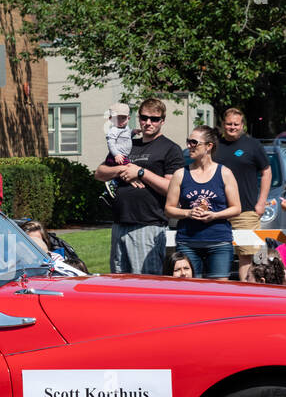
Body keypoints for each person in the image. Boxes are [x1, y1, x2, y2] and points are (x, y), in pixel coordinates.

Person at [95, 97, 184, 274]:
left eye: (154, 119)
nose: (148, 123)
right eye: (144, 118)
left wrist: (141, 172)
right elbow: (99, 173)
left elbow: (172, 189)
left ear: (162, 121)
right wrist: (122, 169)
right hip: (120, 223)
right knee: (119, 282)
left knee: (145, 281)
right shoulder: (127, 143)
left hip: (148, 225)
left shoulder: (170, 148)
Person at [164, 125, 241, 279]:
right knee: (189, 290)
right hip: (188, 242)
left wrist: (214, 215)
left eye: (194, 142)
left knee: (220, 291)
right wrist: (188, 212)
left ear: (208, 146)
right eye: (188, 142)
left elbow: (236, 208)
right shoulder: (180, 174)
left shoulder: (225, 173)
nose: (189, 146)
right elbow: (169, 209)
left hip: (219, 241)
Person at [212, 107, 272, 281]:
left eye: (236, 124)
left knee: (247, 256)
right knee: (217, 253)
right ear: (223, 124)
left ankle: (247, 291)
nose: (232, 127)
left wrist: (261, 202)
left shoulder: (252, 145)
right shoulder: (214, 145)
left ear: (242, 125)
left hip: (245, 211)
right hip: (218, 211)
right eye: (229, 124)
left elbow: (266, 172)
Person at [18, 219, 88, 275]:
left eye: (37, 241)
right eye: (29, 241)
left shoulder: (55, 260)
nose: (33, 245)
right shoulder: (14, 259)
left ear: (45, 241)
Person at [102, 101, 133, 199]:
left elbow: (126, 136)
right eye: (117, 118)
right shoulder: (114, 130)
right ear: (111, 119)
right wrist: (116, 155)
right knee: (129, 169)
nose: (120, 121)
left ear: (128, 118)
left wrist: (134, 132)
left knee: (123, 173)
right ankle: (112, 183)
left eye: (123, 118)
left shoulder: (126, 128)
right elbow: (110, 143)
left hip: (122, 156)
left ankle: (107, 193)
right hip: (116, 156)